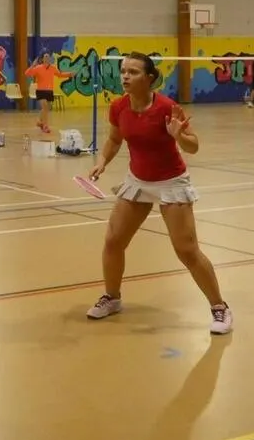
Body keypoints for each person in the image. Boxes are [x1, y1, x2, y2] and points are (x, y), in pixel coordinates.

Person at [84, 52, 232, 335]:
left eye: (133, 72)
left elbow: (193, 146)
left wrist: (178, 135)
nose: (125, 76)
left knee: (186, 250)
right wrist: (102, 161)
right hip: (138, 180)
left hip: (171, 182)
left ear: (149, 78)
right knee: (113, 241)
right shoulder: (118, 107)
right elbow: (115, 139)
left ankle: (220, 307)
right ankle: (112, 298)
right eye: (124, 71)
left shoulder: (167, 107)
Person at [25, 53, 72, 133]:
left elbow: (59, 75)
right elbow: (27, 73)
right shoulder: (38, 68)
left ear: (50, 59)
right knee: (45, 107)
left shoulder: (53, 68)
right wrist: (32, 66)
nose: (47, 58)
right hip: (41, 91)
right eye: (45, 57)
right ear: (43, 59)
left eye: (48, 57)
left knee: (46, 109)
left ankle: (39, 122)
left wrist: (69, 74)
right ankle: (45, 126)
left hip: (49, 91)